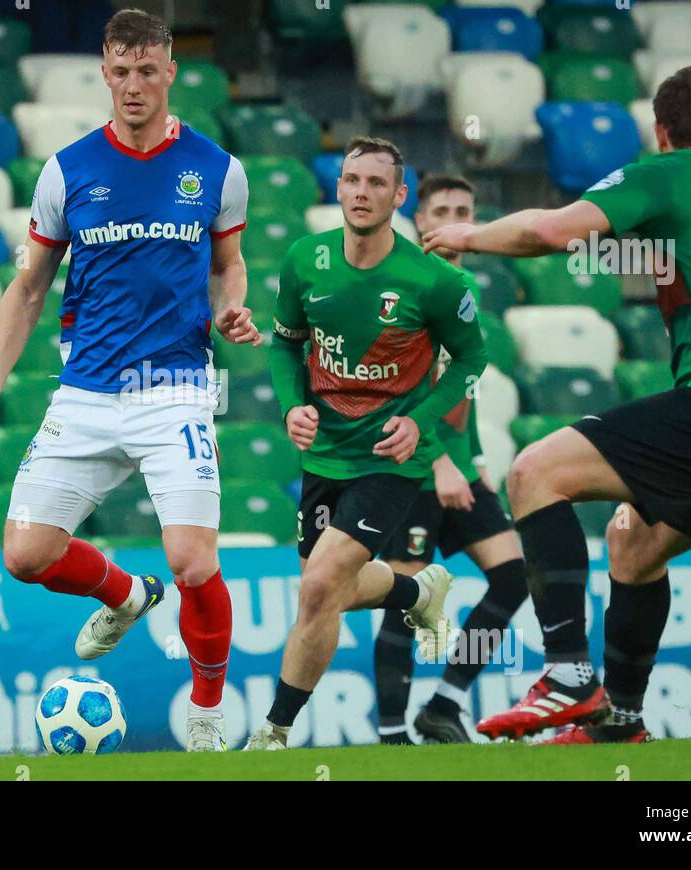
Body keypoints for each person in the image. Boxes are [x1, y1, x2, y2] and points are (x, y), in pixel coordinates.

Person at [422, 65, 691, 744]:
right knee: (633, 546)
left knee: (535, 472)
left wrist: (467, 237)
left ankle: (568, 676)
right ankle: (622, 722)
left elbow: (553, 232)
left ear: (662, 134)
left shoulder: (669, 172)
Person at [0, 8, 258, 752]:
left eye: (147, 71)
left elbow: (228, 265)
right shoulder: (68, 170)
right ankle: (125, 594)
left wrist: (233, 309)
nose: (133, 86)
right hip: (86, 391)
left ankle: (210, 709)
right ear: (104, 72)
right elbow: (29, 287)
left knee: (194, 560)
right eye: (120, 72)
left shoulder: (218, 169)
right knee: (26, 556)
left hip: (176, 388)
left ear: (170, 72)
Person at [244, 138, 488, 751]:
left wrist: (422, 421)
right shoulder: (305, 259)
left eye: (377, 183)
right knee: (326, 592)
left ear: (399, 196)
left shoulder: (433, 279)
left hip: (389, 461)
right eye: (352, 180)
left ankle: (273, 734)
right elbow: (283, 344)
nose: (361, 192)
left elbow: (471, 360)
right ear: (338, 187)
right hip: (322, 455)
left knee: (318, 587)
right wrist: (292, 404)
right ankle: (415, 590)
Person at [374, 176, 528, 745]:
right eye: (442, 210)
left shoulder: (466, 285)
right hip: (412, 468)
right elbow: (397, 389)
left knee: (512, 578)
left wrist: (478, 458)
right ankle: (391, 734)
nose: (454, 220)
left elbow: (463, 383)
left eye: (464, 210)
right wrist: (438, 463)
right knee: (406, 597)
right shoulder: (406, 283)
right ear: (419, 220)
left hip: (461, 468)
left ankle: (445, 702)